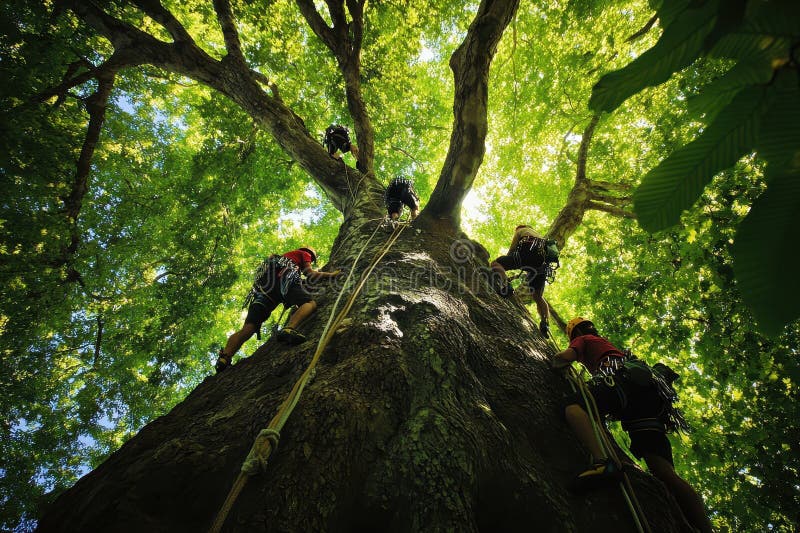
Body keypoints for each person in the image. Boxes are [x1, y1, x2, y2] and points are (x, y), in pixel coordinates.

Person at [552, 317, 713, 533]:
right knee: (664, 473)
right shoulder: (605, 343)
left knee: (573, 408)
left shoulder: (584, 339)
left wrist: (554, 360)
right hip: (647, 399)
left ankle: (603, 464)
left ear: (575, 334)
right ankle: (703, 528)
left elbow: (565, 358)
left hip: (621, 383)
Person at [215, 246, 341, 373]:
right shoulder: (304, 254)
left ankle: (224, 358)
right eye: (311, 260)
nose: (310, 261)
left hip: (264, 290)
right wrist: (331, 275)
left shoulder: (279, 260)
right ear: (310, 255)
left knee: (249, 328)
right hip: (285, 278)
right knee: (310, 303)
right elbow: (310, 273)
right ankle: (289, 329)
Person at [490, 224, 553, 335]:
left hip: (527, 255)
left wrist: (508, 261)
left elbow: (512, 249)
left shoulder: (521, 230)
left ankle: (506, 286)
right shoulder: (540, 237)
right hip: (542, 264)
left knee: (496, 263)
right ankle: (545, 323)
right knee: (538, 296)